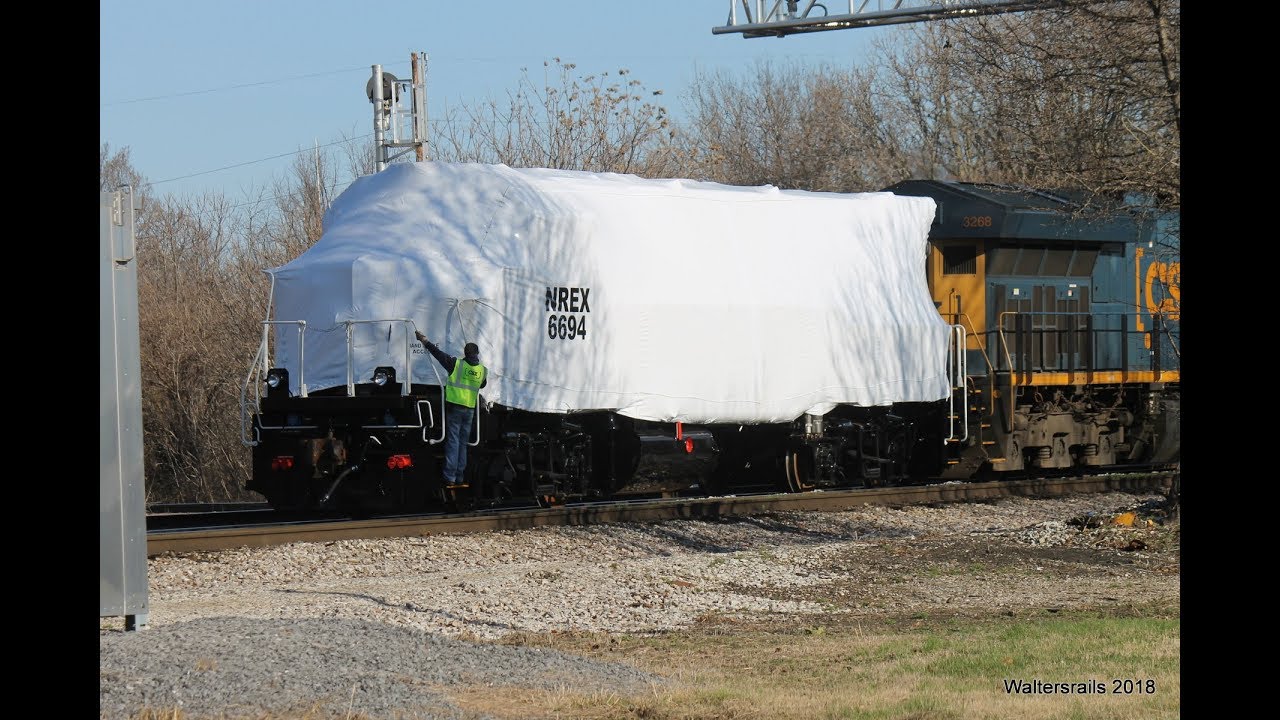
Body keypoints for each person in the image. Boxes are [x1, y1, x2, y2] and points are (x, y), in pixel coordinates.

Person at [415, 330, 487, 485]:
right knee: (463, 443)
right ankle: (460, 476)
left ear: (465, 353)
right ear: (477, 353)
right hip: (469, 410)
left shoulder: (456, 364)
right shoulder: (482, 370)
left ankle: (450, 477)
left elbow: (437, 353)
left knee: (453, 441)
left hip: (455, 408)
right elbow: (483, 384)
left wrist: (425, 341)